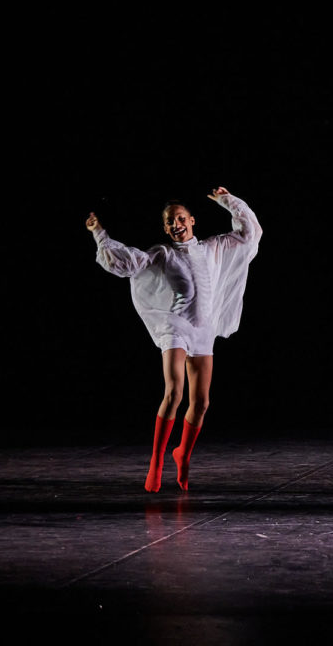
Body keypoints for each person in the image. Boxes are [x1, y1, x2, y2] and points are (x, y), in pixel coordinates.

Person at [86, 188, 262, 492]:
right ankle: (156, 462)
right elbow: (127, 262)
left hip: (203, 330)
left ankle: (182, 453)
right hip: (175, 326)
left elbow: (250, 233)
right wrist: (99, 233)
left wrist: (228, 201)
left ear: (192, 221)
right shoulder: (162, 254)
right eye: (170, 222)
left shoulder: (214, 248)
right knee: (174, 391)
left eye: (181, 218)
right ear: (165, 227)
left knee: (202, 402)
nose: (176, 224)